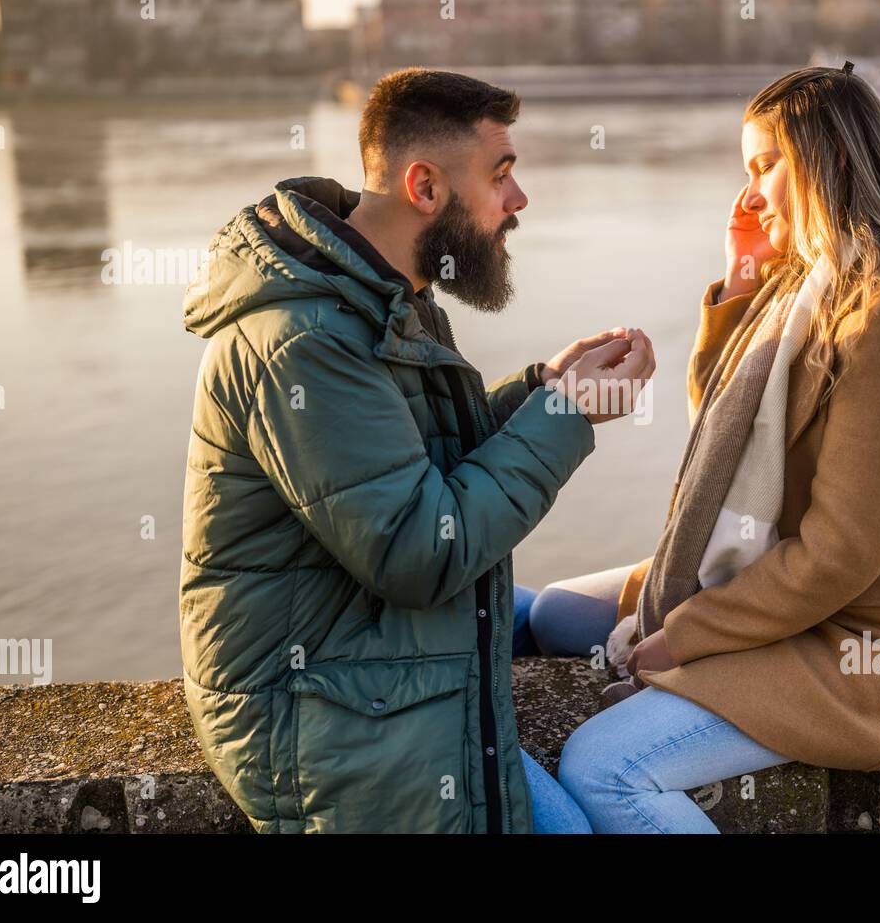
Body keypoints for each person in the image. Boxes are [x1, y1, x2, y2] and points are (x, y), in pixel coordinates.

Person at [179, 68, 655, 833]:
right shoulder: (302, 341)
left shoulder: (382, 291)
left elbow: (417, 465)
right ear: (425, 188)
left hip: (367, 661)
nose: (519, 201)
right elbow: (421, 548)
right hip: (333, 719)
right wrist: (565, 416)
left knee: (587, 623)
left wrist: (544, 389)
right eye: (501, 175)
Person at [514, 64, 880, 833]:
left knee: (604, 769)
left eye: (767, 165)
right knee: (556, 614)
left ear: (829, 160)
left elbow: (839, 556)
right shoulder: (804, 283)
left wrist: (686, 639)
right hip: (777, 580)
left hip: (862, 645)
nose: (753, 191)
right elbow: (723, 435)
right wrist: (739, 281)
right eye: (747, 170)